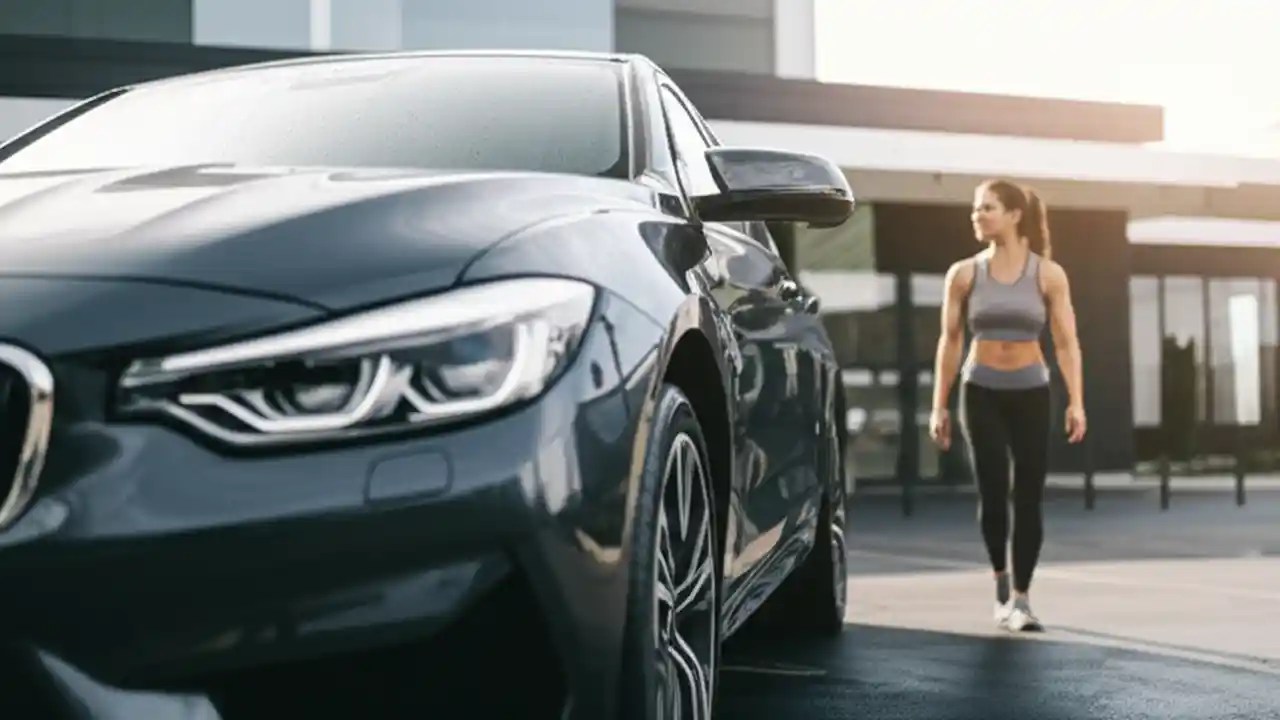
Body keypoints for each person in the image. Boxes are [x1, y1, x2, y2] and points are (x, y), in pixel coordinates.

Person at [927, 179, 1086, 632]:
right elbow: (950, 341)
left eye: (987, 208)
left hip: (1032, 392)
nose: (977, 216)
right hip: (981, 392)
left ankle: (1022, 598)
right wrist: (938, 405)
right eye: (975, 209)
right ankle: (1001, 582)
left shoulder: (1048, 274)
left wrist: (1077, 400)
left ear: (1015, 215)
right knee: (993, 490)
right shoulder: (963, 274)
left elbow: (1067, 342)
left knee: (1029, 494)